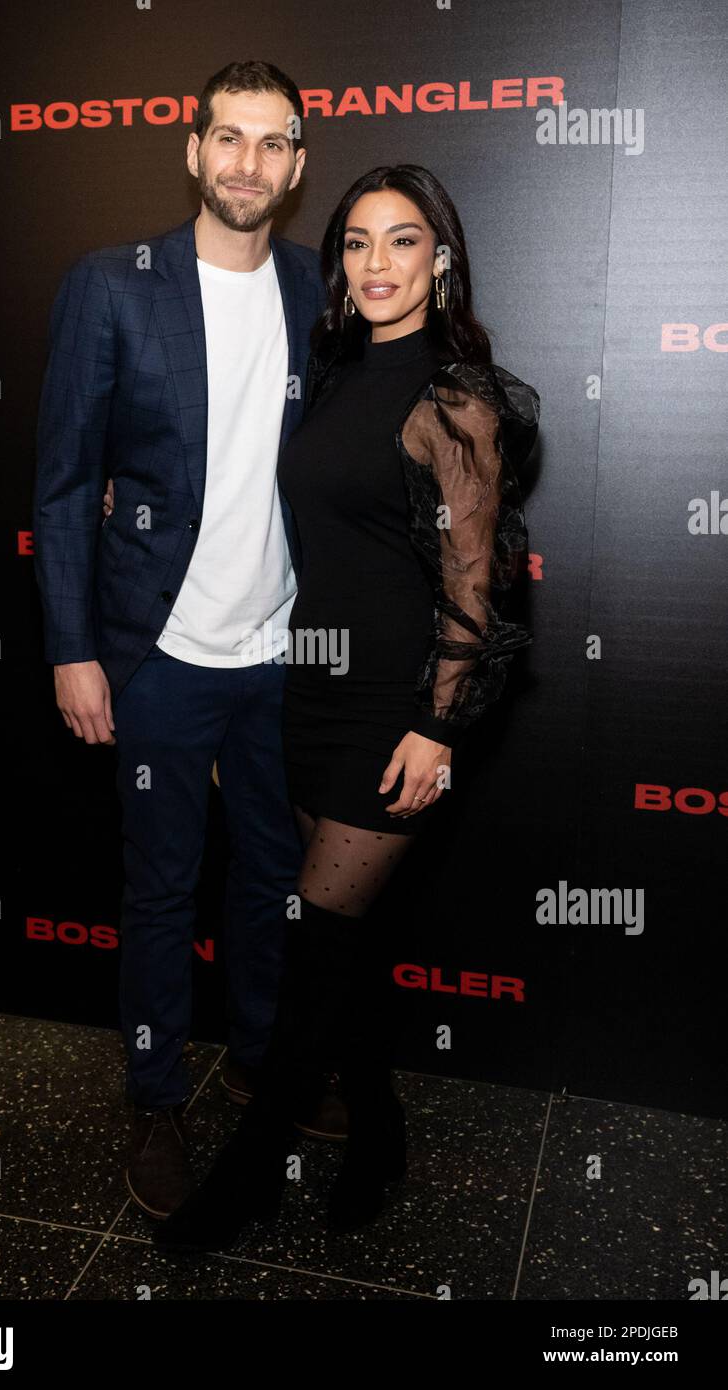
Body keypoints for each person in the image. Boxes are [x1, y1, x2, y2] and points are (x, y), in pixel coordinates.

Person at [146, 164, 540, 1252]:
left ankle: (252, 1168)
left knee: (319, 940)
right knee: (348, 944)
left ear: (440, 258)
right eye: (356, 243)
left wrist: (436, 726)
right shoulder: (328, 373)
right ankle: (375, 1128)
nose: (375, 264)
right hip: (305, 690)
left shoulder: (454, 398)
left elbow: (475, 585)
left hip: (394, 706)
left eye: (401, 242)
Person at [32, 61, 343, 1224]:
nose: (246, 163)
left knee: (272, 875)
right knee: (162, 888)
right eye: (228, 138)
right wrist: (74, 649)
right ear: (192, 150)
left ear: (298, 165)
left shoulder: (321, 291)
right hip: (156, 655)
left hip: (279, 658)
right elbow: (65, 483)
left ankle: (259, 1058)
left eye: (272, 143)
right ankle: (156, 1094)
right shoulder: (114, 285)